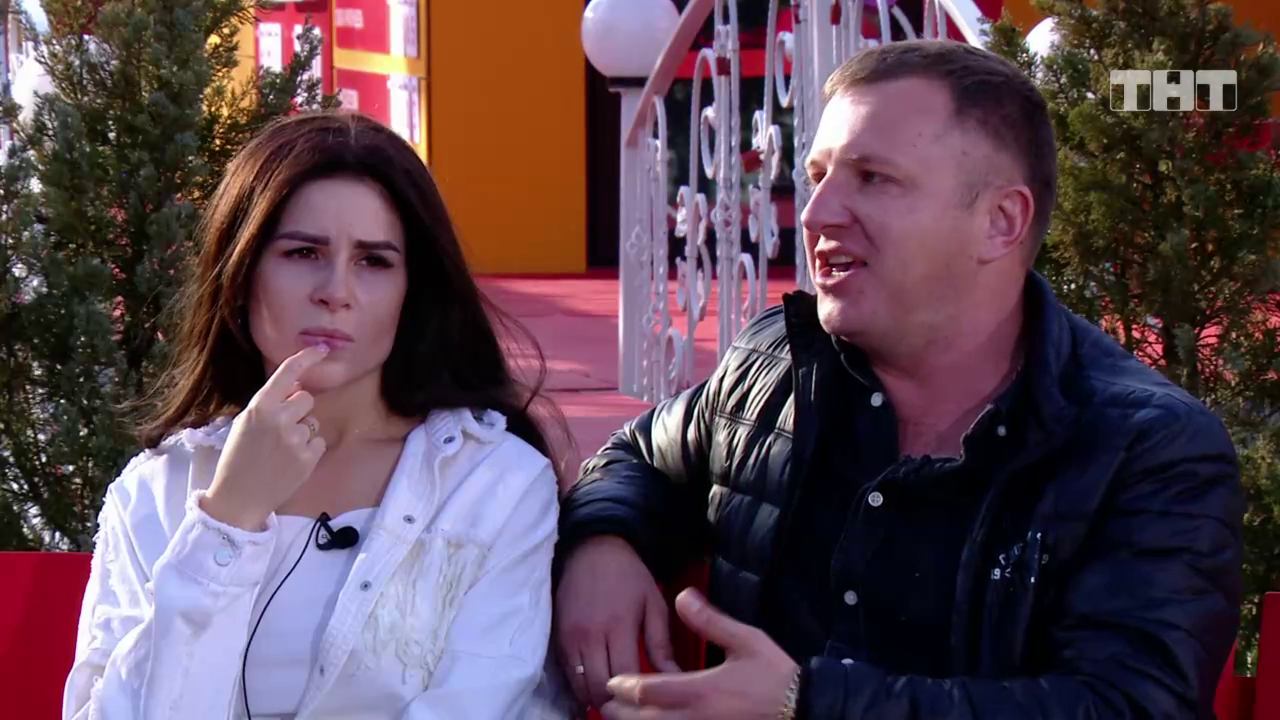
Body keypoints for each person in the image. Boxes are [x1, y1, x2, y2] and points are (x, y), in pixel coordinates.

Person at [554, 40, 1244, 719]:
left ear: (1001, 221)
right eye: (819, 175)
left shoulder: (1146, 449)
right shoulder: (776, 362)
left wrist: (807, 703)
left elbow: (1130, 704)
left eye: (873, 178)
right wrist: (602, 541)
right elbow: (638, 456)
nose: (817, 214)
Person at [63, 111, 571, 719]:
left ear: (413, 292)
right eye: (304, 252)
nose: (336, 290)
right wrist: (227, 522)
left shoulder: (496, 485)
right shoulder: (158, 491)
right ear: (242, 272)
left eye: (374, 261)